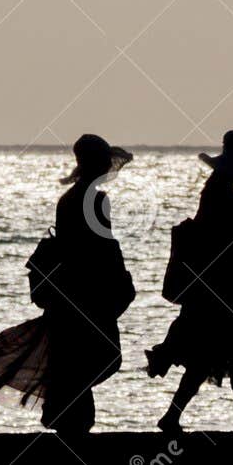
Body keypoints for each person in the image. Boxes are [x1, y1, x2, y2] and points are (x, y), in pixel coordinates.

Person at [146, 129, 233, 432]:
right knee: (228, 355)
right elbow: (228, 236)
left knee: (213, 358)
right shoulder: (219, 192)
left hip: (218, 288)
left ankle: (186, 416)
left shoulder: (218, 188)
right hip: (220, 290)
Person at [36, 133, 136, 433]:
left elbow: (71, 244)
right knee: (100, 355)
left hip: (69, 288)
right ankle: (72, 415)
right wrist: (120, 277)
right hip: (90, 289)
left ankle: (67, 414)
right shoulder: (96, 199)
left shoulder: (68, 199)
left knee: (75, 357)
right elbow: (103, 244)